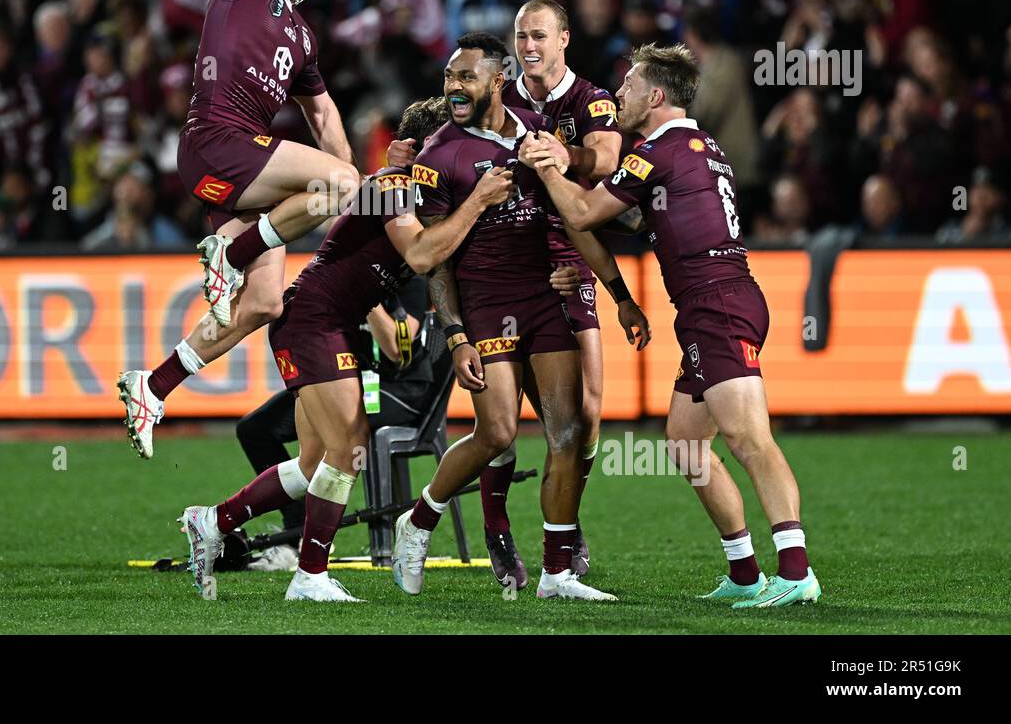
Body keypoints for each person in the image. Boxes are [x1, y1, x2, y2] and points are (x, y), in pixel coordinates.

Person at [174, 96, 512, 602]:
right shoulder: (395, 186)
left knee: (316, 463)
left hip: (322, 320)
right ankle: (310, 575)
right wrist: (480, 200)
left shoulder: (420, 197)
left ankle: (213, 521)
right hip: (316, 320)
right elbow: (422, 256)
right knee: (350, 443)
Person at [519, 43, 821, 608]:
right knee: (685, 442)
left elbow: (585, 214)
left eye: (629, 86)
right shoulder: (698, 147)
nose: (618, 96)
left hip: (718, 305)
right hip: (713, 304)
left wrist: (548, 166)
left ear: (656, 96)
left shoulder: (657, 150)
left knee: (750, 439)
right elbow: (634, 217)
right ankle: (744, 572)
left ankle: (796, 569)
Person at [118, 0, 361, 460]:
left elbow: (326, 118)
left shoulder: (305, 39)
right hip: (217, 142)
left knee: (262, 306)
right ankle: (233, 251)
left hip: (238, 167)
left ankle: (153, 385)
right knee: (335, 184)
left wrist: (356, 189)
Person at [390, 32, 649, 602]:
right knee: (499, 432)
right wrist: (454, 333)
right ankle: (421, 521)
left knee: (569, 430)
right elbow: (433, 259)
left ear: (497, 81)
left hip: (543, 295)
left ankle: (557, 572)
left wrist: (620, 294)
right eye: (449, 78)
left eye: (466, 77)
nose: (454, 87)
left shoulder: (538, 136)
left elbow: (577, 217)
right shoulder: (439, 155)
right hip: (483, 303)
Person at [234, 272, 450, 566]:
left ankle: (310, 545)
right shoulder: (336, 277)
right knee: (256, 430)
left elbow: (398, 350)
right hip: (342, 380)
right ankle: (296, 529)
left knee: (333, 437)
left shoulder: (410, 281)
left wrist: (369, 301)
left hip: (398, 389)